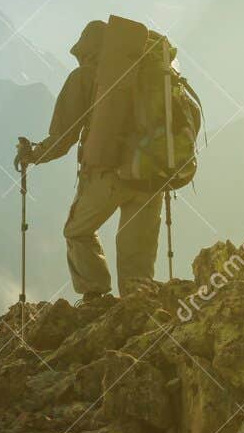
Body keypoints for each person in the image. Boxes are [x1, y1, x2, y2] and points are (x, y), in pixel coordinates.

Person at [15, 20, 161, 300]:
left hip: (109, 175)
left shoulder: (85, 77)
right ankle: (138, 305)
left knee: (77, 232)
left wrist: (34, 155)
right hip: (153, 175)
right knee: (136, 256)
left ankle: (95, 297)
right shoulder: (149, 76)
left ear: (90, 50)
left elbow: (63, 136)